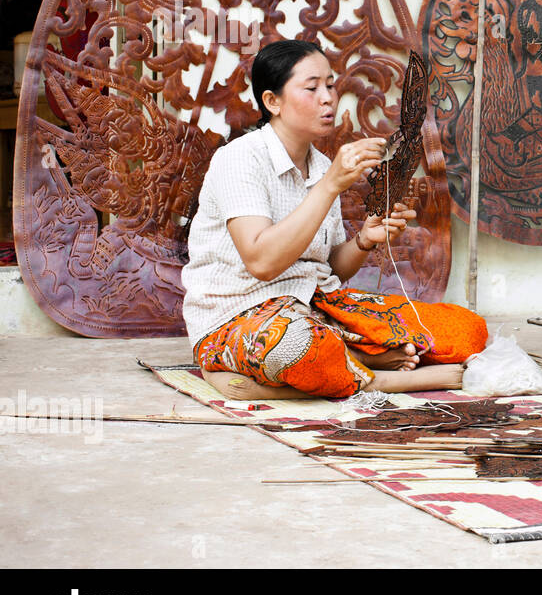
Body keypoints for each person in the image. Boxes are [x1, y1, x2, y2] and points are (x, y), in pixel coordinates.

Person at [181, 39, 488, 399]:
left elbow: (330, 269)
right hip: (239, 316)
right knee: (295, 347)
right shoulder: (240, 159)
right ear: (272, 102)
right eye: (312, 88)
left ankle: (349, 360)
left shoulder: (322, 166)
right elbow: (262, 262)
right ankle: (384, 376)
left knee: (466, 331)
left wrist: (365, 240)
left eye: (330, 85)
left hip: (319, 309)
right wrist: (329, 186)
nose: (328, 98)